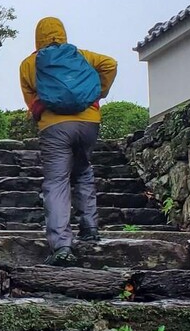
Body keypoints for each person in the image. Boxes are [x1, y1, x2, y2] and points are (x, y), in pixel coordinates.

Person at [20, 17, 118, 265]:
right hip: (89, 123)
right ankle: (90, 229)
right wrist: (97, 92)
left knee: (57, 182)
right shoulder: (82, 55)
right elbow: (110, 63)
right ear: (63, 33)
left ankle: (62, 246)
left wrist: (43, 106)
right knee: (83, 171)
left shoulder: (29, 64)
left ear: (38, 36)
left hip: (55, 127)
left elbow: (32, 103)